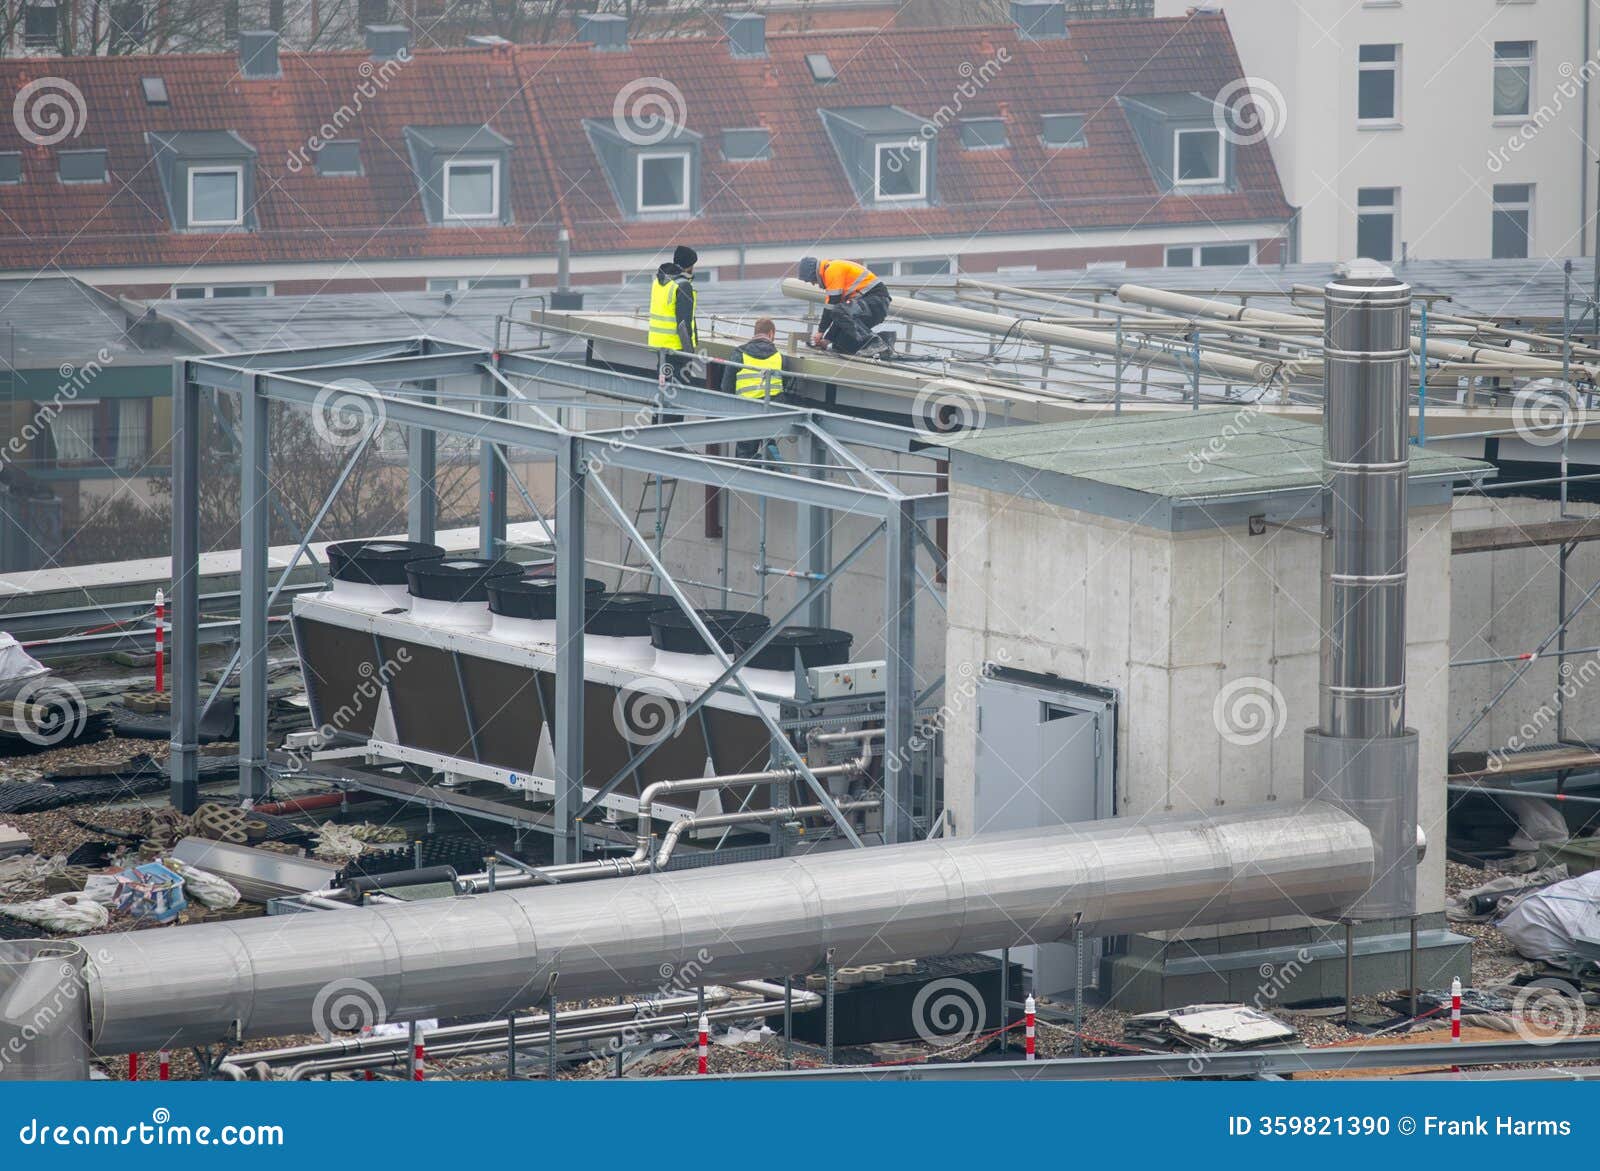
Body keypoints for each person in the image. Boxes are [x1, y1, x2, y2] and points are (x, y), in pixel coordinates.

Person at [798, 256, 892, 356]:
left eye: (811, 280)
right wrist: (827, 340)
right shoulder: (833, 278)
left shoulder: (832, 270)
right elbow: (839, 317)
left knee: (839, 310)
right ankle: (886, 341)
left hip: (876, 301)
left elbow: (833, 308)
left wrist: (821, 331)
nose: (813, 284)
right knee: (840, 344)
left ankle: (875, 343)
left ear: (814, 274)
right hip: (871, 306)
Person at [721, 318, 785, 460]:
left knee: (745, 453)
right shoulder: (779, 357)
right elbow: (784, 385)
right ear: (771, 333)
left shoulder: (739, 353)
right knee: (768, 442)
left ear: (755, 333)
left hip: (746, 410)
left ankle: (748, 469)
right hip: (772, 411)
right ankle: (771, 461)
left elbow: (726, 386)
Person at [648, 245, 700, 383]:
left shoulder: (658, 282)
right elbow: (683, 324)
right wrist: (688, 353)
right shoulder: (683, 286)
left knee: (663, 384)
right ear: (689, 266)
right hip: (676, 348)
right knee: (678, 387)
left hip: (659, 344)